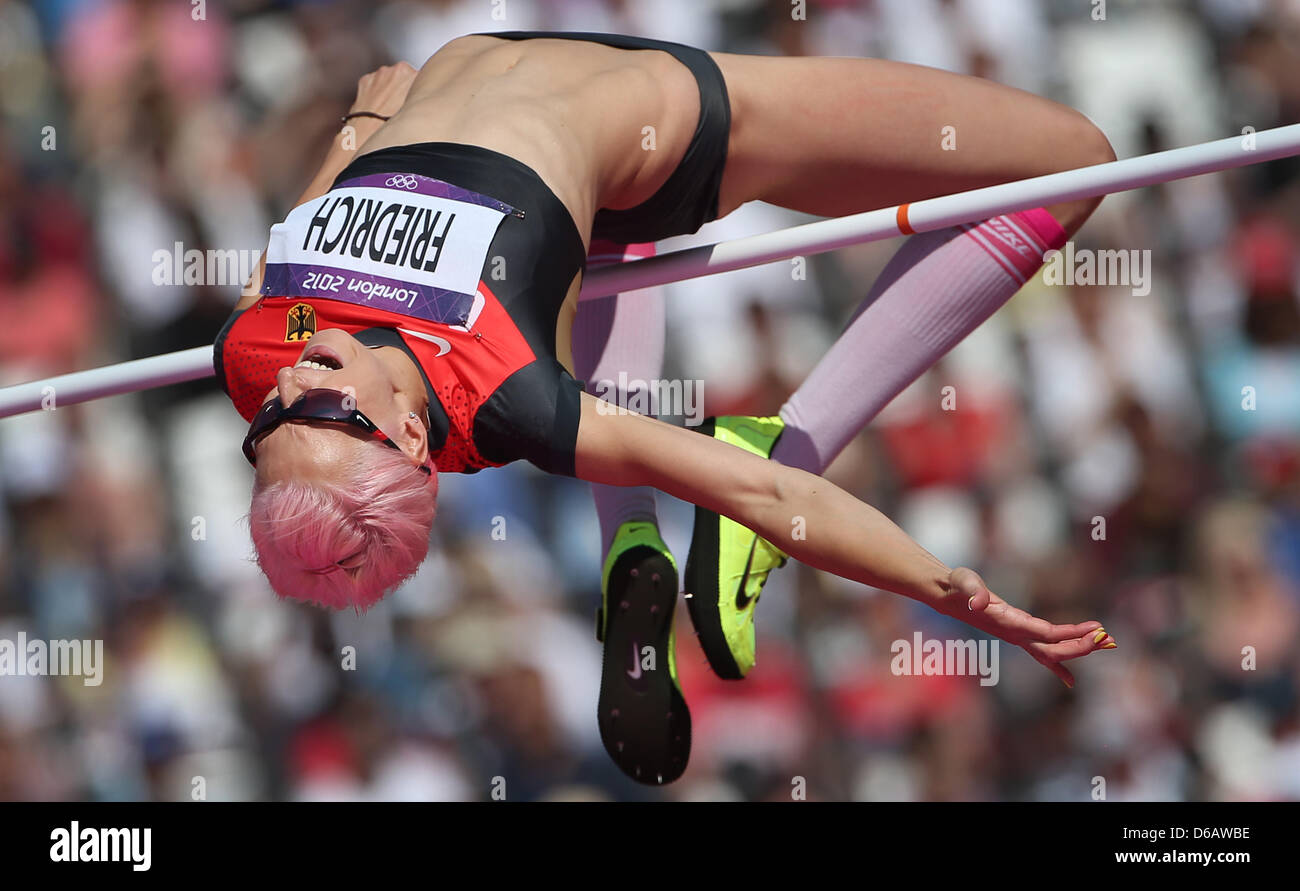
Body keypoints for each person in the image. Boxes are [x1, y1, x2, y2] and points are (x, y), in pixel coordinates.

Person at [215, 32, 1118, 785]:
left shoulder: (261, 354)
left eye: (267, 429)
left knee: (587, 243)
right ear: (410, 434)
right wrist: (953, 589)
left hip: (558, 144)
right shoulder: (508, 385)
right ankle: (786, 444)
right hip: (667, 125)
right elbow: (762, 498)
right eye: (322, 416)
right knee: (1071, 163)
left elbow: (277, 266)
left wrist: (362, 127)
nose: (292, 390)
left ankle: (628, 536)